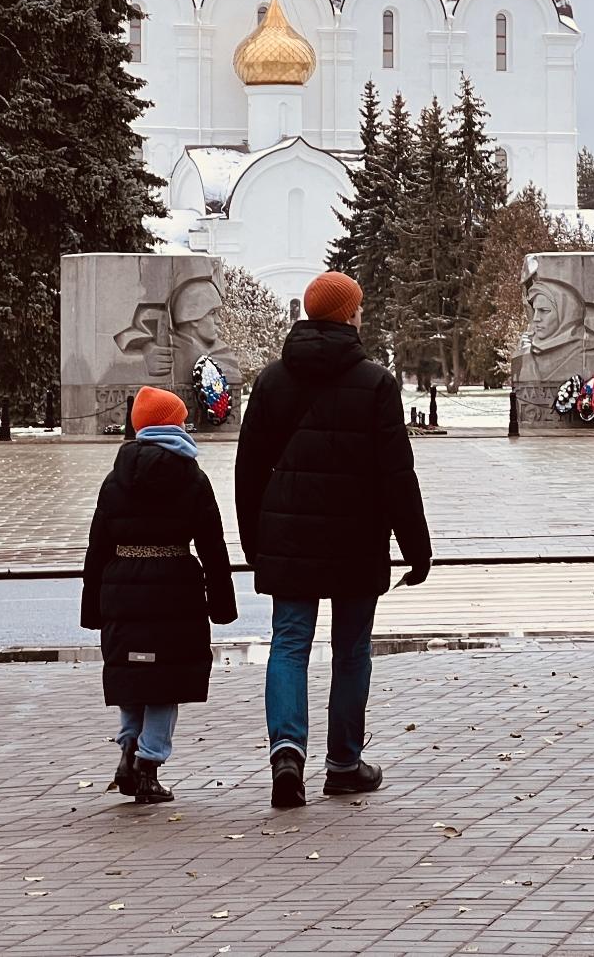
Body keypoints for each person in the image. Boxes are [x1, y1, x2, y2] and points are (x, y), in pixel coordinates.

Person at [236, 271, 432, 810]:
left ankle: (286, 756)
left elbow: (248, 468)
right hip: (356, 538)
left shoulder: (273, 380)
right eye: (358, 308)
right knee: (351, 650)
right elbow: (397, 474)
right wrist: (416, 548)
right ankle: (343, 763)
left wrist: (254, 539)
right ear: (347, 315)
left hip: (289, 538)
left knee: (290, 642)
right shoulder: (376, 382)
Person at [80, 385, 237, 805]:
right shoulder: (191, 477)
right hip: (175, 589)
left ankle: (128, 750)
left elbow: (97, 548)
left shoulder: (115, 478)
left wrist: (92, 606)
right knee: (166, 679)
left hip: (123, 587)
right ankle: (148, 765)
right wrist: (222, 603)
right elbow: (212, 545)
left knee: (134, 674)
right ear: (173, 424)